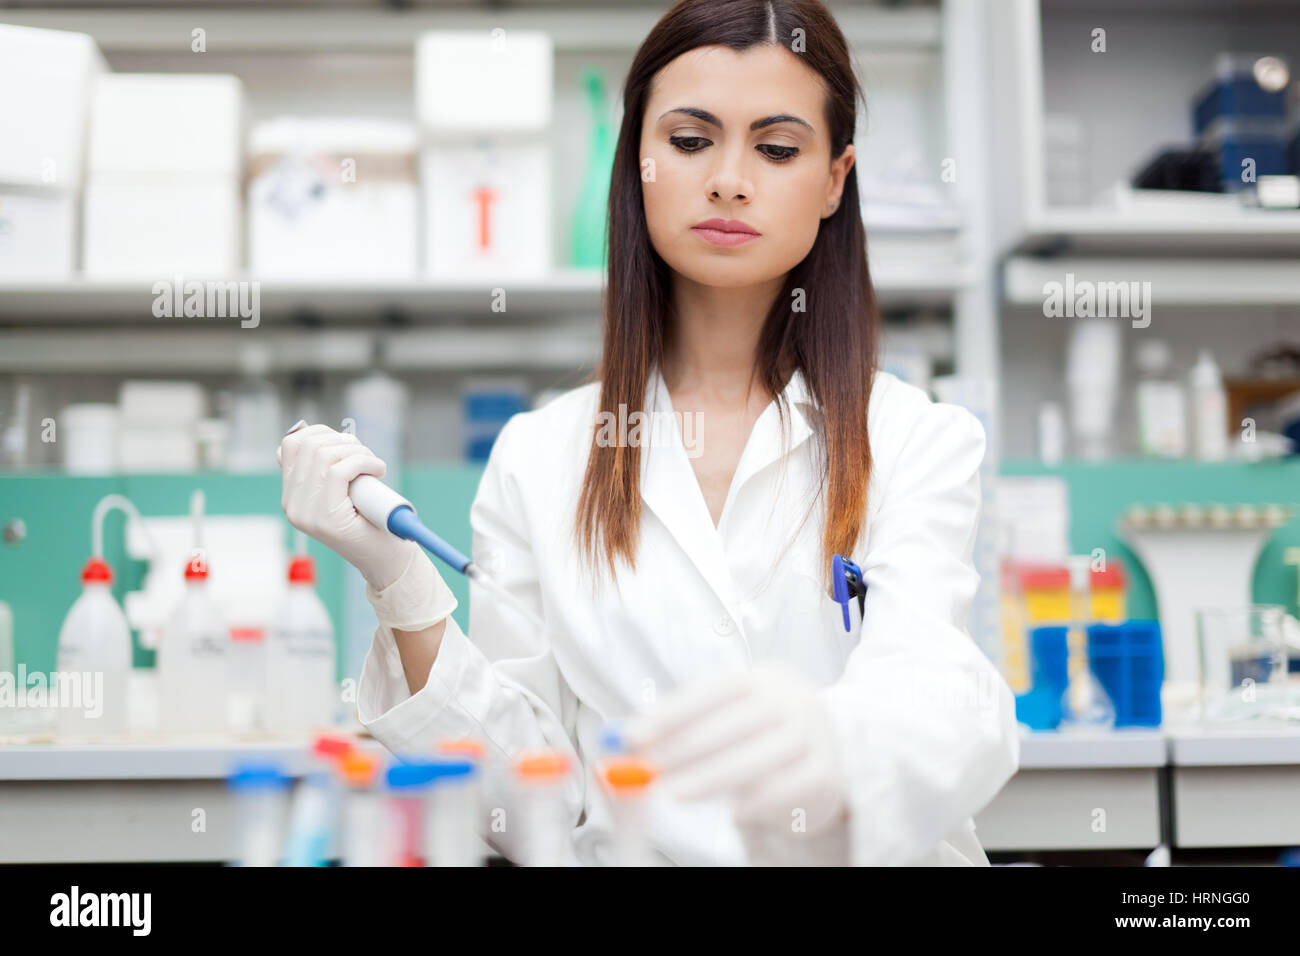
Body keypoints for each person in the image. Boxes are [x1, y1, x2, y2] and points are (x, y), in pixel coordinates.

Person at [279, 0, 1018, 866]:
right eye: (691, 140)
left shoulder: (915, 439)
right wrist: (399, 580)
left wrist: (838, 743)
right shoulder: (540, 456)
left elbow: (942, 692)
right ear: (639, 161)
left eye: (777, 149)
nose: (729, 180)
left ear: (834, 178)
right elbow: (528, 803)